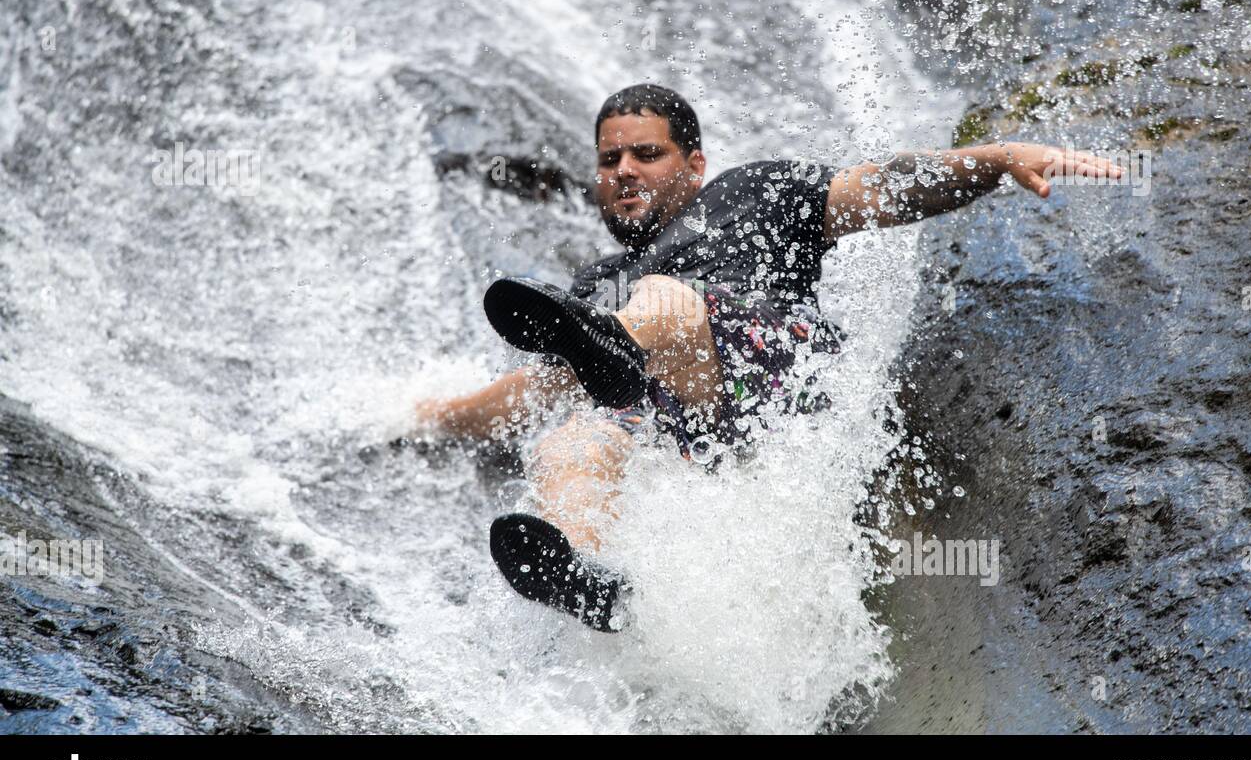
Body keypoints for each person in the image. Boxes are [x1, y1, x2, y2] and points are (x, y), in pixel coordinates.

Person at [412, 83, 1122, 631]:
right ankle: (593, 576)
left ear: (693, 164)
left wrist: (997, 161)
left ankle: (622, 350)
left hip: (782, 383)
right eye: (609, 160)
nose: (623, 170)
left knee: (663, 303)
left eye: (645, 154)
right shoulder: (598, 282)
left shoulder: (748, 195)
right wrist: (428, 417)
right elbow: (537, 389)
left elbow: (884, 187)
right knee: (573, 437)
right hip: (689, 424)